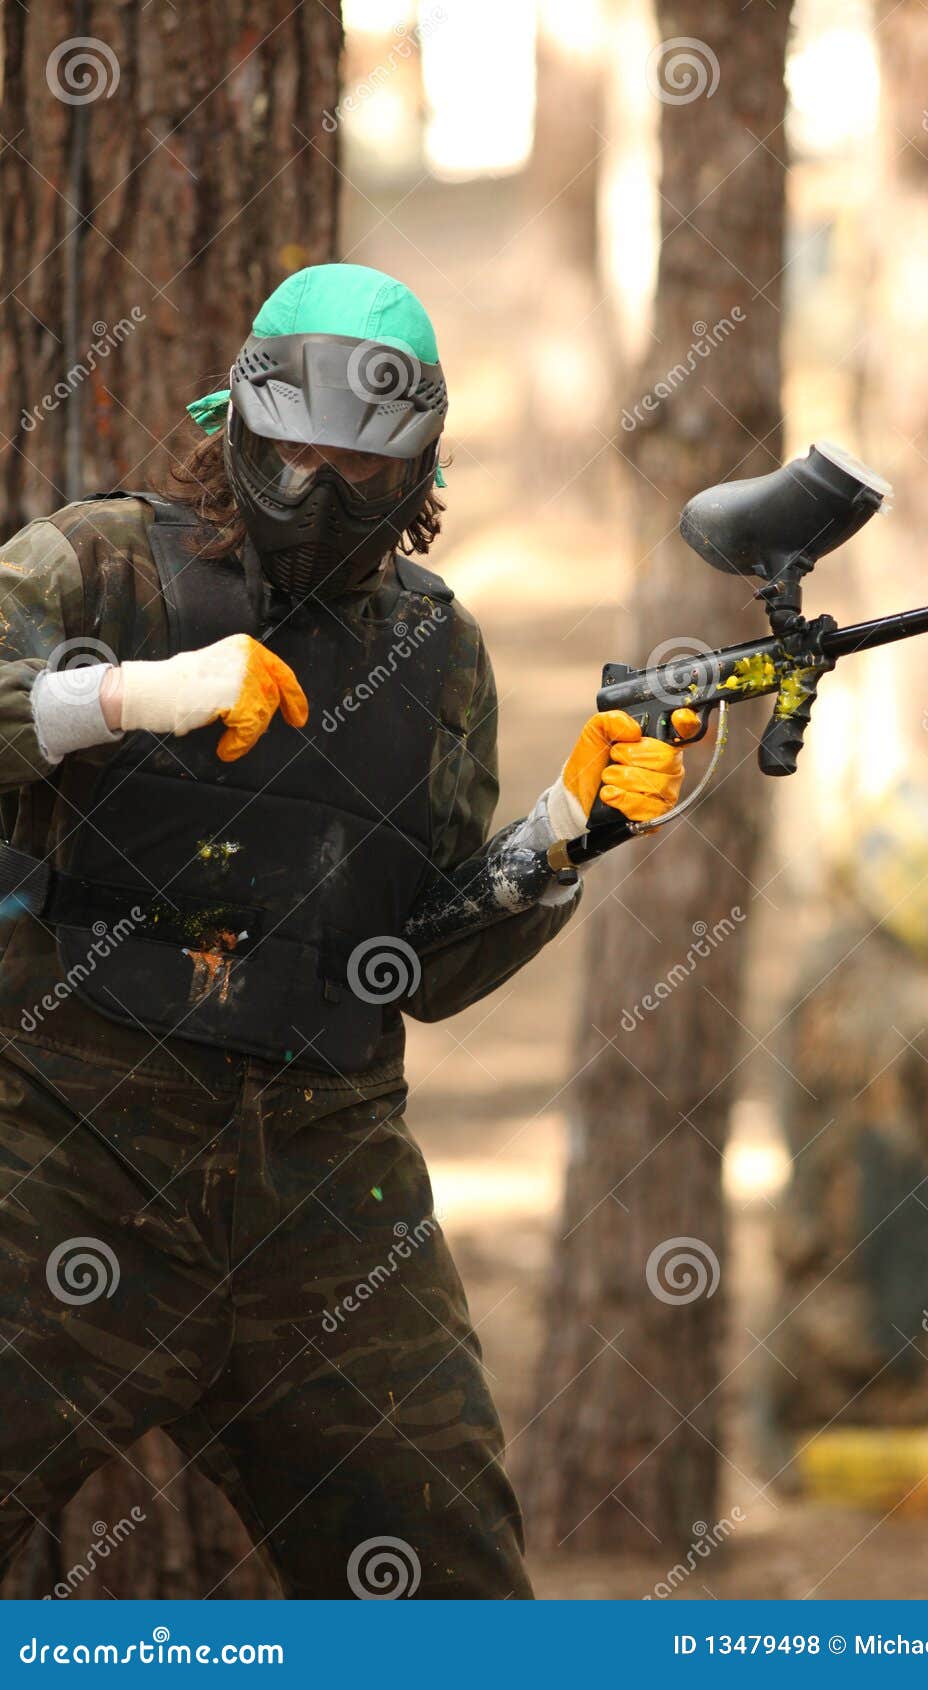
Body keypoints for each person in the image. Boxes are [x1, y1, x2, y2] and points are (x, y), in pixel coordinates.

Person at [0, 264, 694, 1598]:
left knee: (448, 1594)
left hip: (323, 1182)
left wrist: (566, 832)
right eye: (295, 452)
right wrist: (131, 693)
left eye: (361, 468)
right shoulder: (96, 565)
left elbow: (422, 963)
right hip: (63, 1141)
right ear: (239, 429)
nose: (319, 491)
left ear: (421, 471)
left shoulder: (438, 658)